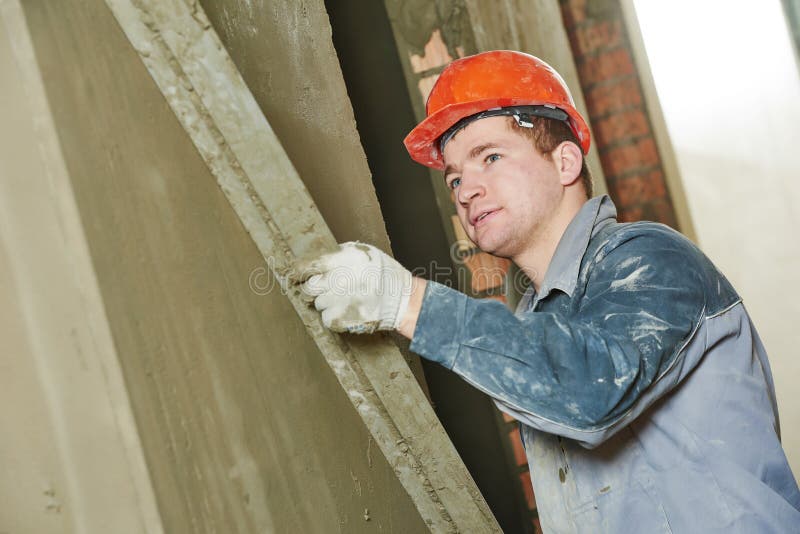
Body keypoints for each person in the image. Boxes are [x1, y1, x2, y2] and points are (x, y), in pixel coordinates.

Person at [298, 50, 800, 532]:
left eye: (489, 157)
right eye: (454, 180)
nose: (466, 190)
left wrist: (404, 301)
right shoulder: (541, 320)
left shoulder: (650, 259)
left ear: (565, 163)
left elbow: (590, 391)